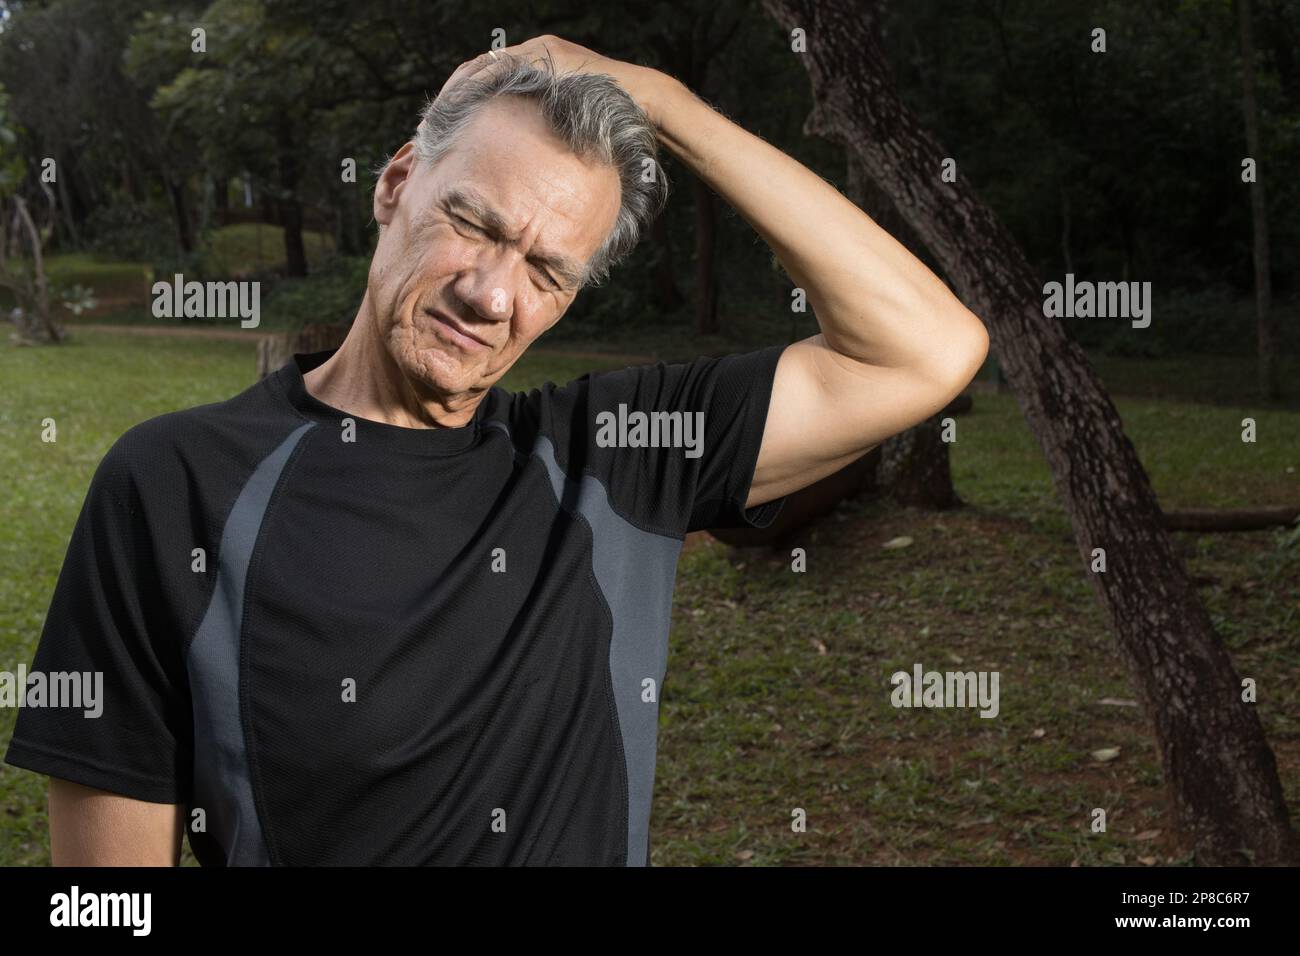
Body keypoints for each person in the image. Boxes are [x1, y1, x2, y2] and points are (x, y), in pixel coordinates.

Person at [4, 36, 987, 866]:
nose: (491, 295)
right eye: (472, 222)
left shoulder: (621, 452)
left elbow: (927, 347)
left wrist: (666, 103)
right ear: (395, 183)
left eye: (548, 273)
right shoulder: (175, 483)